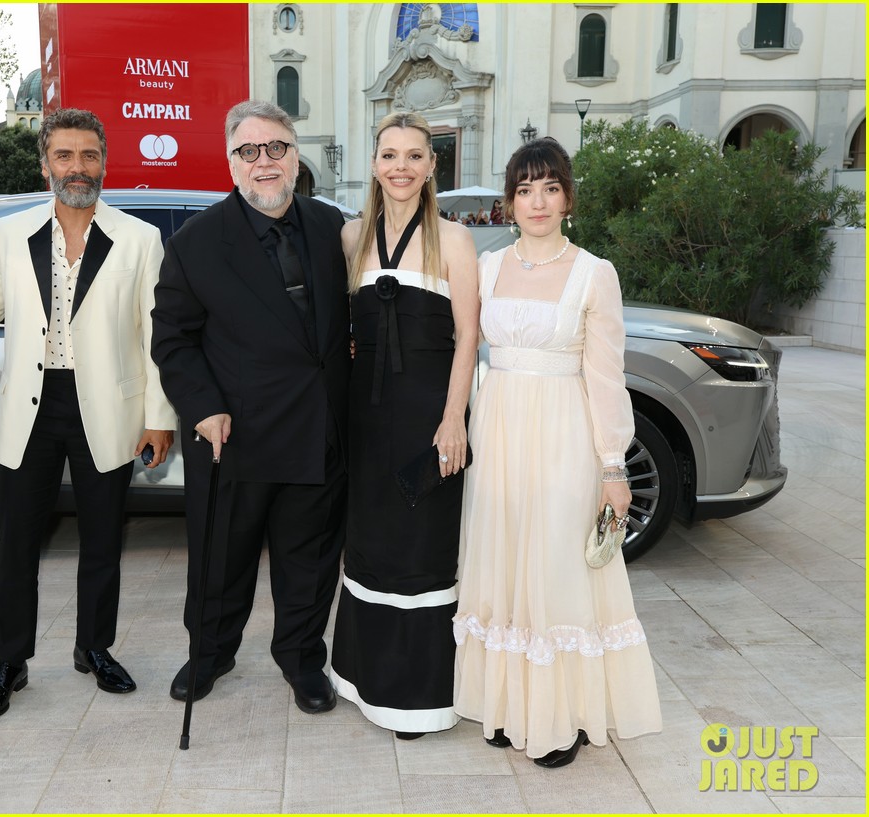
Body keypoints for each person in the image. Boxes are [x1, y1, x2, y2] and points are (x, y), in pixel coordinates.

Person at [453, 137, 661, 767]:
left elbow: (606, 378)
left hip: (564, 437)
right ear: (509, 202)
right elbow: (457, 344)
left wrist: (613, 468)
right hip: (498, 434)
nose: (537, 202)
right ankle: (503, 704)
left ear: (568, 197)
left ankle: (557, 716)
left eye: (549, 188)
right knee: (502, 564)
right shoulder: (488, 267)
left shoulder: (595, 273)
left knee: (556, 569)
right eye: (524, 190)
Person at [0, 108, 177, 723]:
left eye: (88, 155)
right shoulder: (12, 233)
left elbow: (155, 337)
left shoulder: (140, 239)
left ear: (104, 162)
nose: (76, 167)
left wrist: (159, 417)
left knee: (103, 540)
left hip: (107, 407)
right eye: (64, 155)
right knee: (18, 545)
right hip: (30, 407)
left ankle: (95, 647)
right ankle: (10, 661)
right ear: (45, 165)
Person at [151, 99, 350, 714]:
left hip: (317, 430)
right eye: (249, 151)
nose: (265, 161)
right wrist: (203, 406)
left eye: (276, 148)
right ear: (231, 162)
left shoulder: (331, 227)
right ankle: (210, 654)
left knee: (309, 561)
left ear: (295, 155)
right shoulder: (196, 242)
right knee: (221, 560)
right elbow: (172, 339)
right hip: (233, 435)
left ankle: (302, 659)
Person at [328, 112, 479, 740]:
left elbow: (468, 335)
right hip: (366, 423)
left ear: (432, 165)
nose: (401, 167)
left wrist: (453, 421)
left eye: (414, 156)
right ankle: (364, 680)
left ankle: (417, 699)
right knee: (371, 545)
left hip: (428, 420)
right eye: (389, 155)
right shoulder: (351, 237)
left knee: (423, 548)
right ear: (373, 163)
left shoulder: (455, 240)